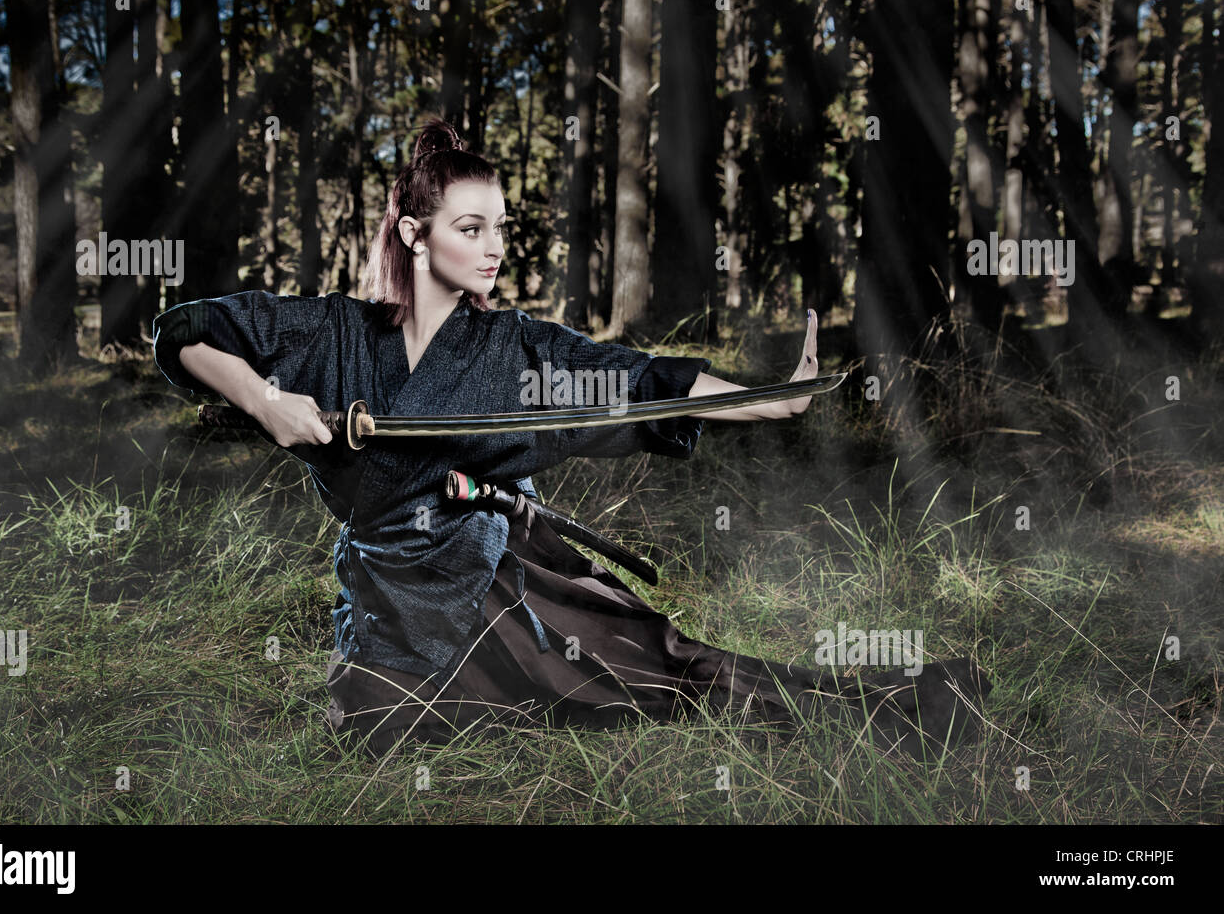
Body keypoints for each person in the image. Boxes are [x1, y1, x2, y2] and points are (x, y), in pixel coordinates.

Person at [153, 118, 990, 761]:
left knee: (665, 677)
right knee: (371, 728)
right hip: (388, 602)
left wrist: (770, 403)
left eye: (501, 228)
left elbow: (639, 382)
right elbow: (186, 331)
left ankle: (900, 704)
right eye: (470, 227)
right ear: (414, 234)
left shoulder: (516, 351)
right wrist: (267, 401)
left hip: (494, 577)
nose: (494, 249)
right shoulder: (331, 333)